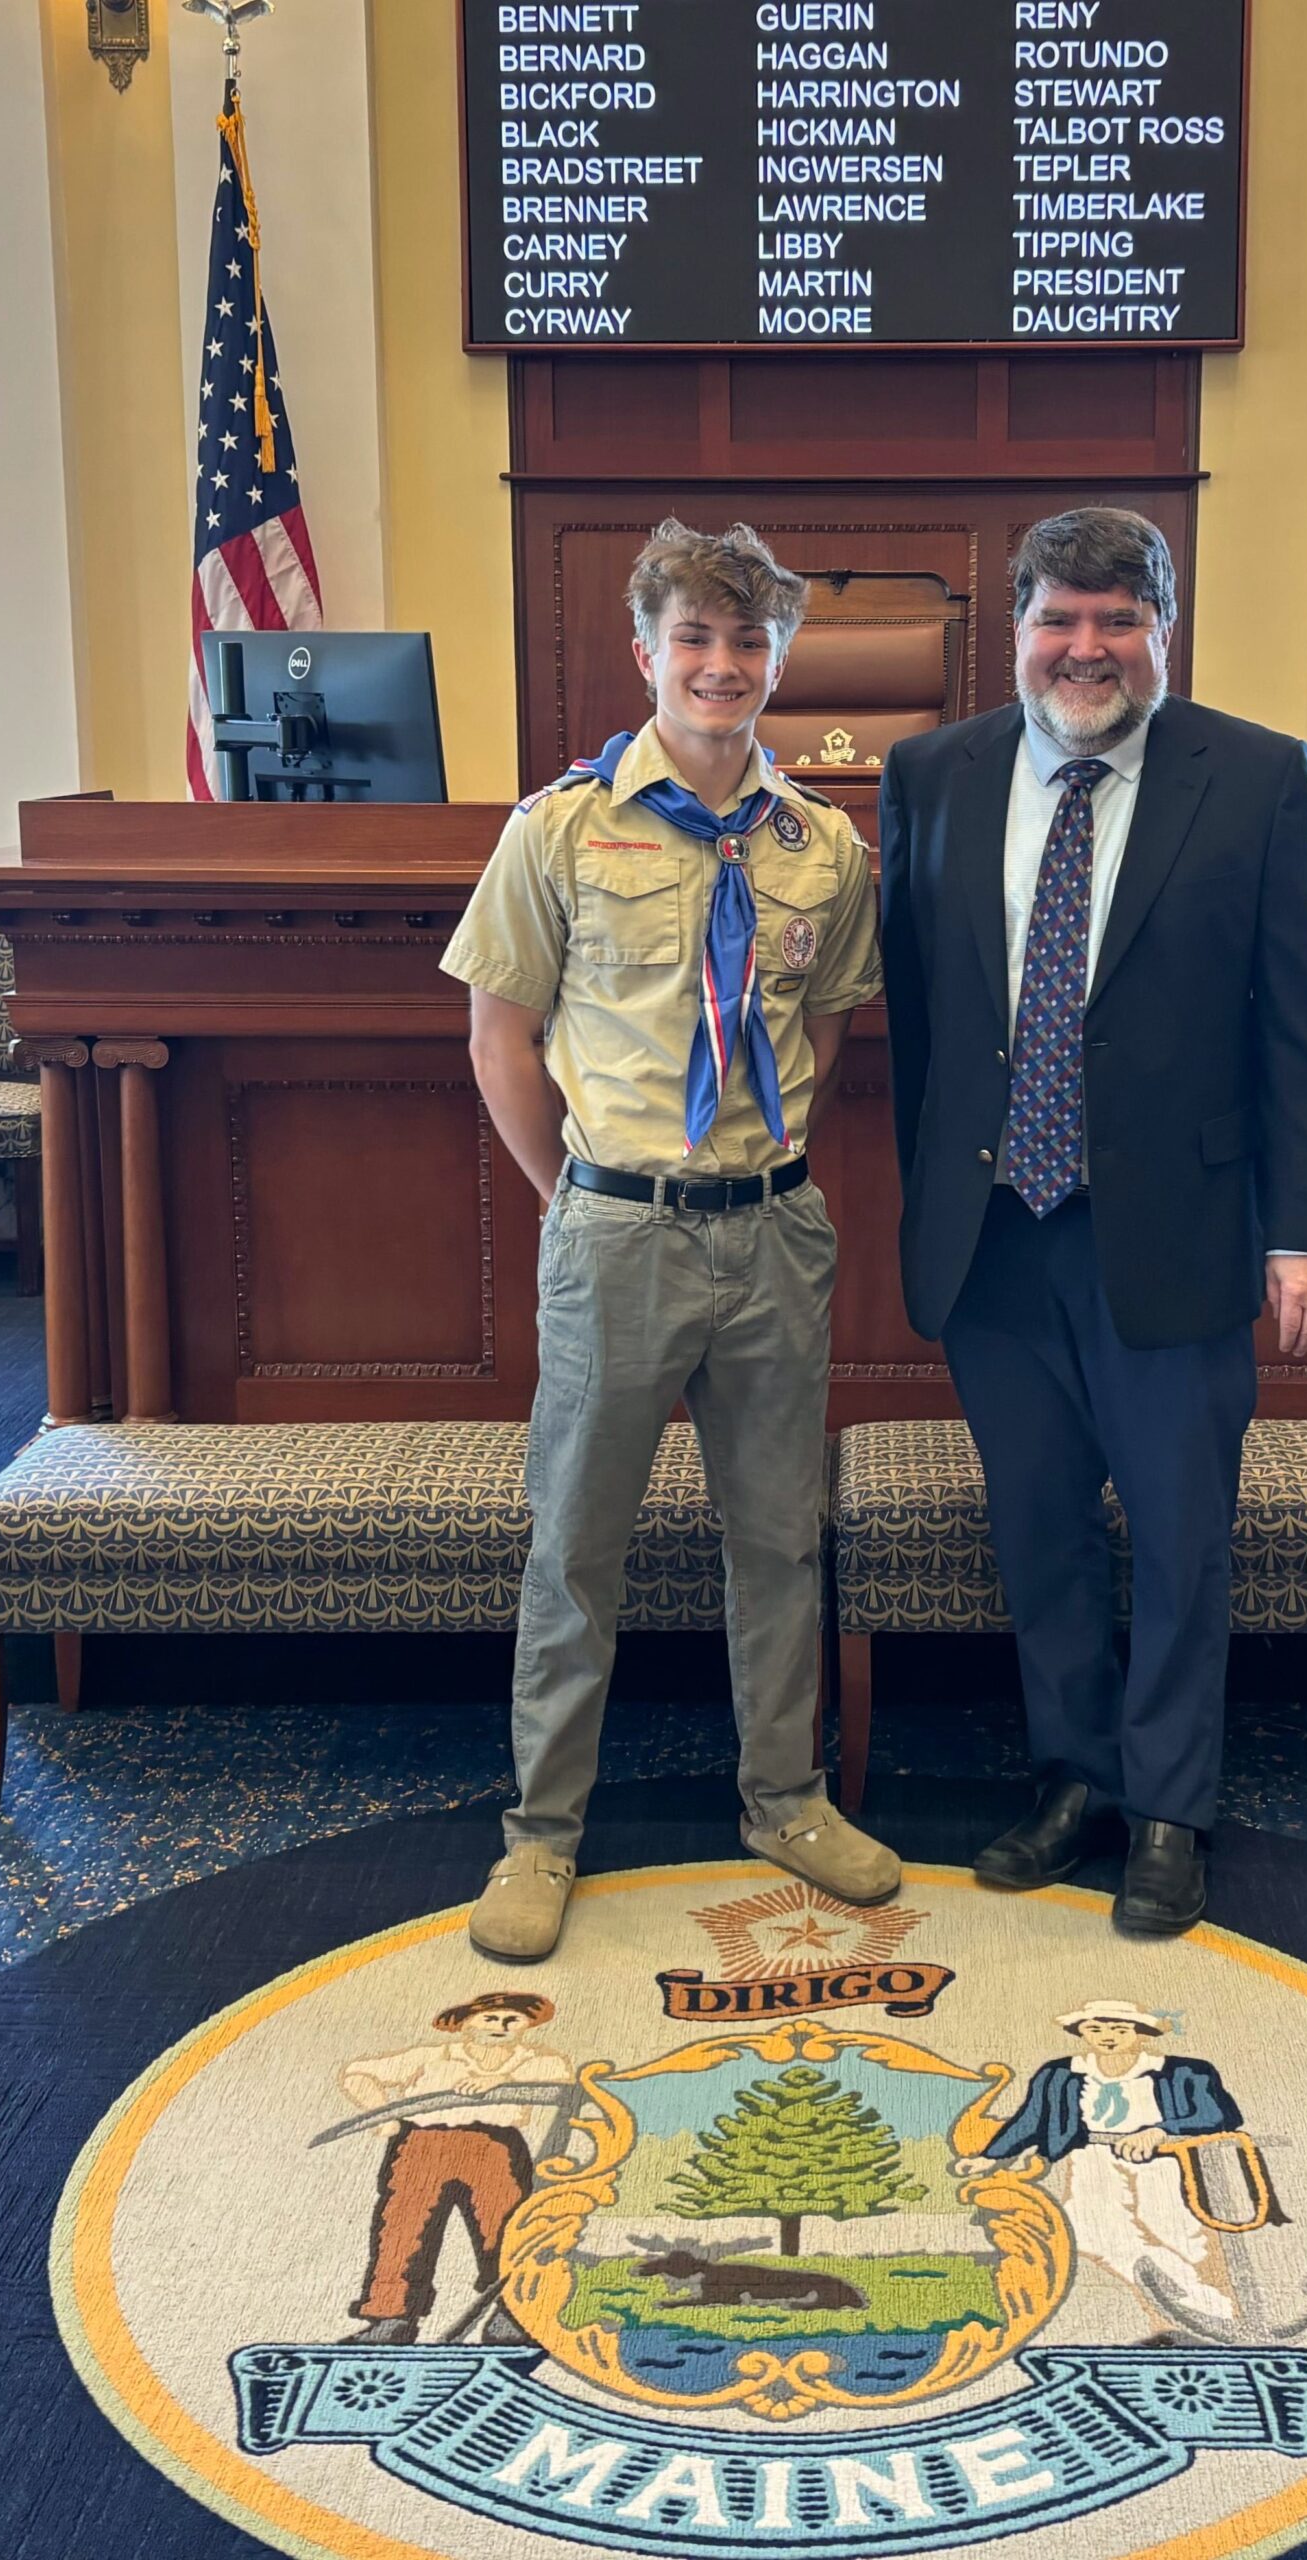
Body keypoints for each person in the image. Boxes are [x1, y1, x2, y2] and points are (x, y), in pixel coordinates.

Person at [878, 507, 1307, 1936]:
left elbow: (1305, 1024)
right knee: (1037, 1533)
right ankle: (1072, 1780)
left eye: (1114, 618)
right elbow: (918, 1017)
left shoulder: (1256, 776)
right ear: (1012, 624)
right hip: (992, 1235)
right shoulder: (931, 773)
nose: (1083, 647)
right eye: (1055, 617)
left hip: (1176, 1229)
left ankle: (1168, 1813)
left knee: (1178, 1531)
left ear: (1160, 624)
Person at [443, 519, 901, 1964]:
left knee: (776, 1537)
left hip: (769, 1233)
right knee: (575, 1546)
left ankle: (783, 1796)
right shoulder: (560, 829)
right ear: (644, 654)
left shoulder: (822, 847)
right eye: (692, 640)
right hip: (618, 1234)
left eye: (746, 641)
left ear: (777, 661)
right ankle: (540, 1835)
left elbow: (820, 1024)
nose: (720, 666)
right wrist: (570, 1199)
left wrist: (759, 1161)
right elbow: (498, 1037)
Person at [956, 2000, 1246, 2338]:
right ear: (1080, 2032)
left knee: (1176, 2229)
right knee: (1092, 2230)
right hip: (1091, 2156)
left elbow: (1219, 2115)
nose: (1107, 2037)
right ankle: (1198, 2303)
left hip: (1163, 2159)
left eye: (1120, 2029)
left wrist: (1159, 2131)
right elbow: (1032, 2118)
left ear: (1141, 2033)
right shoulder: (1060, 2073)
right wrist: (990, 2156)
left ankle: (1213, 2307)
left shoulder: (1185, 2071)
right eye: (1095, 2029)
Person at [340, 1991, 576, 2342]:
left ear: (526, 2025)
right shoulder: (433, 2056)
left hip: (493, 2145)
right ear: (465, 2022)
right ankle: (391, 2318)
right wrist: (380, 2116)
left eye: (512, 2020)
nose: (501, 2026)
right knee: (402, 2229)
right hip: (422, 2145)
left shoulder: (534, 2060)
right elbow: (357, 2073)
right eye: (490, 2019)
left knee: (508, 2228)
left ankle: (514, 2312)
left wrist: (504, 2083)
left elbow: (564, 2084)